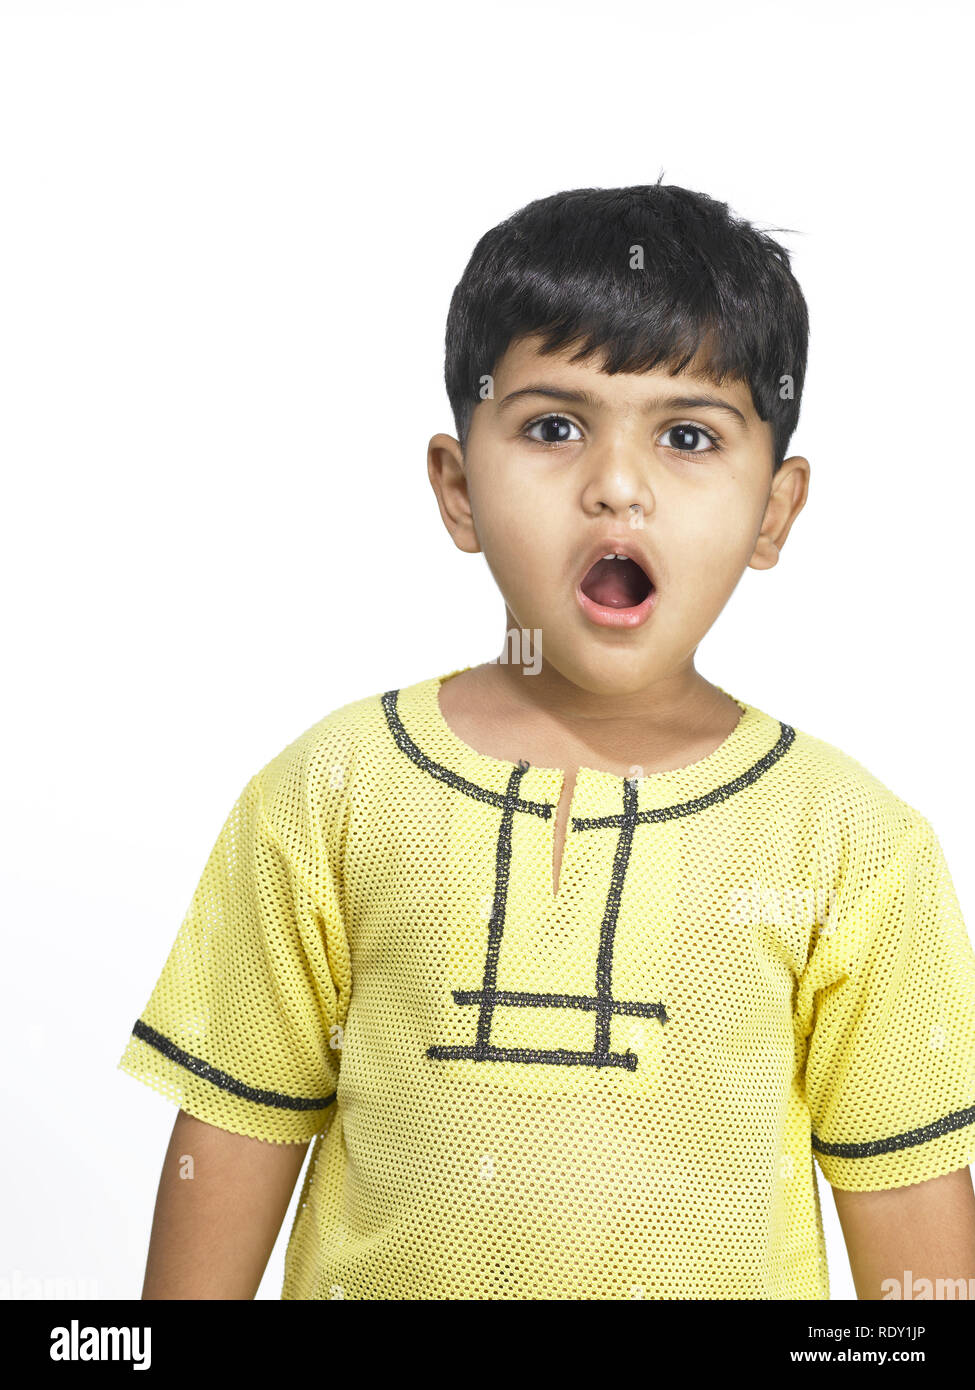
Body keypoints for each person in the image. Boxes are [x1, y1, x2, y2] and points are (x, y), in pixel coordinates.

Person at [117, 181, 975, 1300]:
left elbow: (910, 1212)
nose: (616, 486)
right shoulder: (329, 793)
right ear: (459, 485)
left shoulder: (853, 844)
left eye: (687, 435)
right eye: (553, 427)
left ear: (775, 509)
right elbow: (227, 1144)